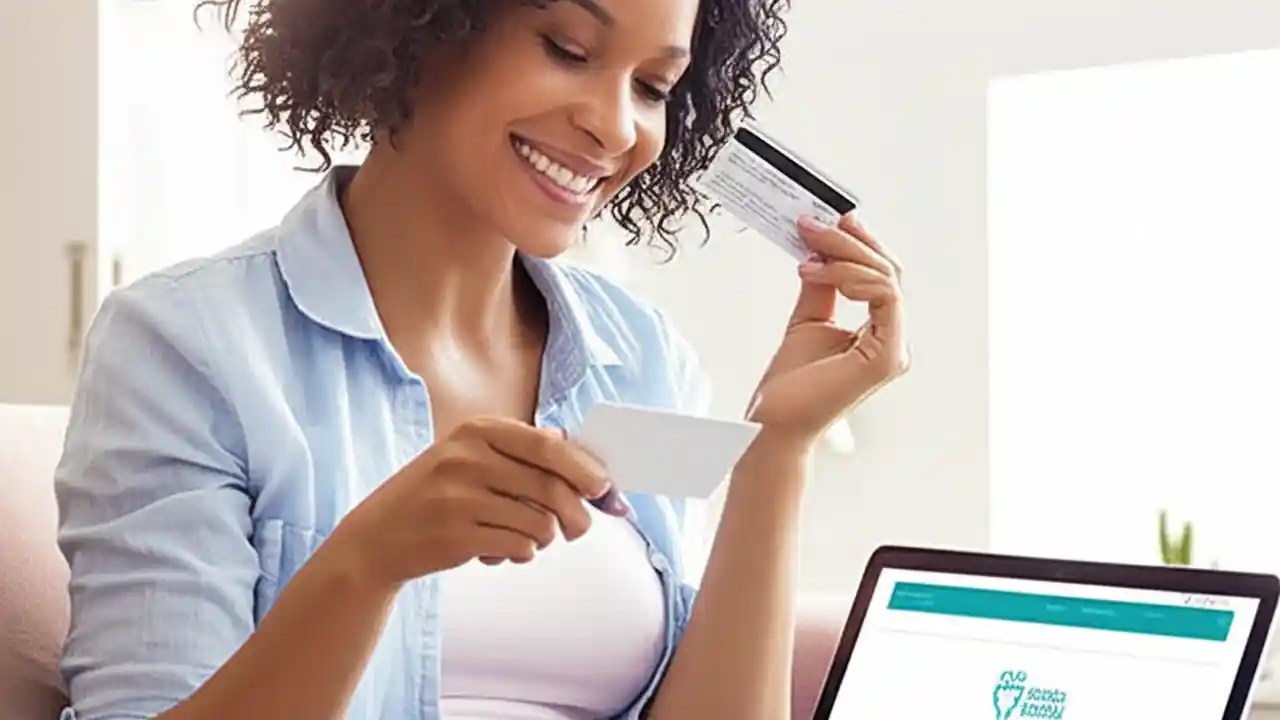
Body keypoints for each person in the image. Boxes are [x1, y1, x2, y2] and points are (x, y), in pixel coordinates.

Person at [53, 0, 909, 718]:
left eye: (653, 87)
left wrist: (777, 453)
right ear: (422, 25)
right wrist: (368, 562)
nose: (615, 126)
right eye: (567, 49)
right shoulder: (188, 346)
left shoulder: (643, 356)